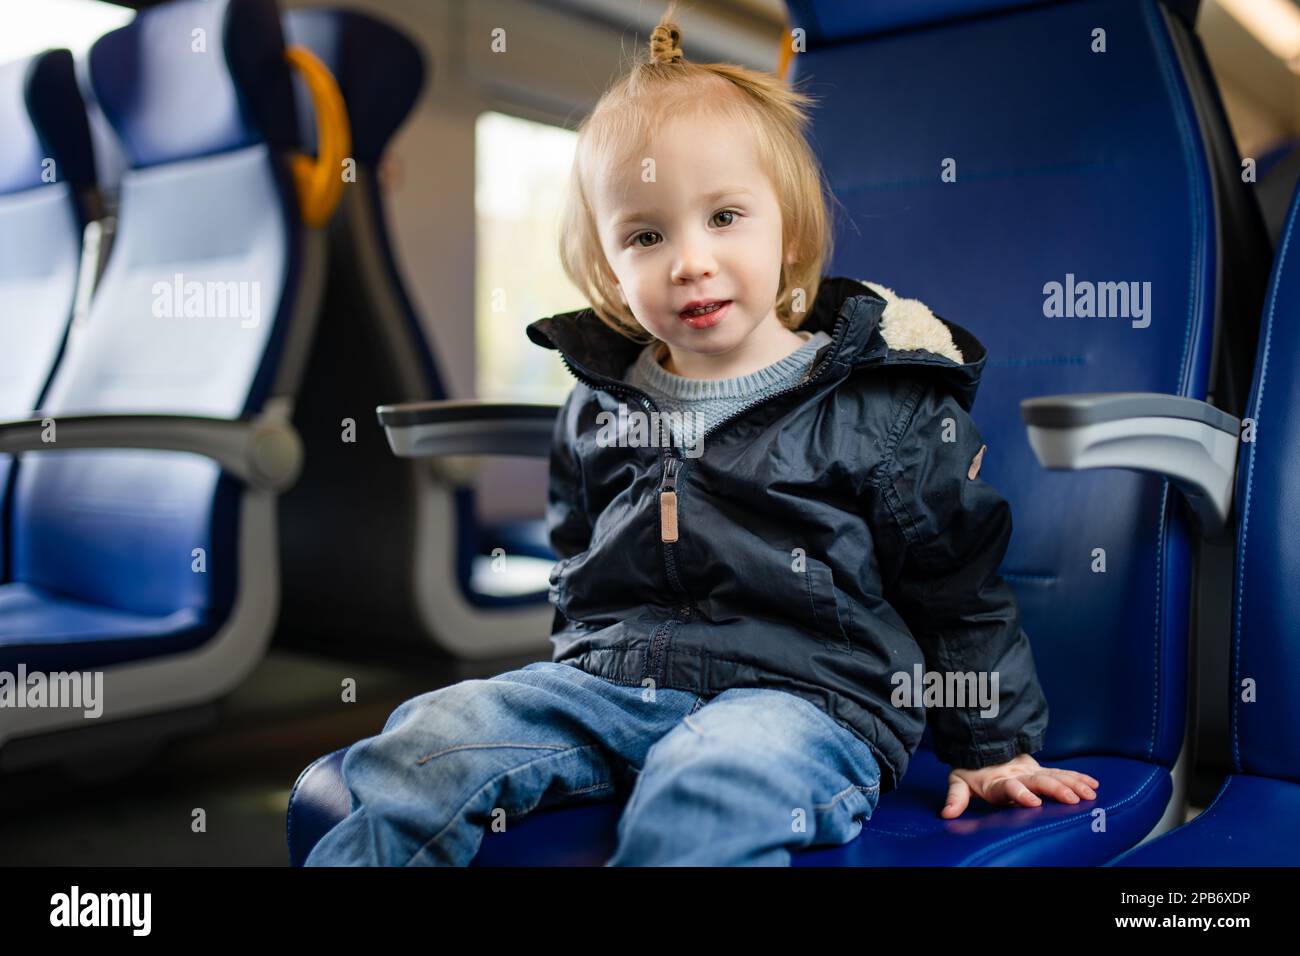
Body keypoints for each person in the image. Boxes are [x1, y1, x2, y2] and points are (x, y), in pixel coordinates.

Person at [305, 1, 1096, 868]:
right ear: (609, 265)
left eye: (725, 218)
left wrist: (991, 745)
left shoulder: (882, 404)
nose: (689, 261)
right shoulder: (600, 401)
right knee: (426, 739)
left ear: (787, 230)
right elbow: (578, 553)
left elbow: (956, 587)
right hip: (612, 688)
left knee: (703, 796)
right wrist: (576, 673)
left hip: (805, 700)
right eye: (646, 234)